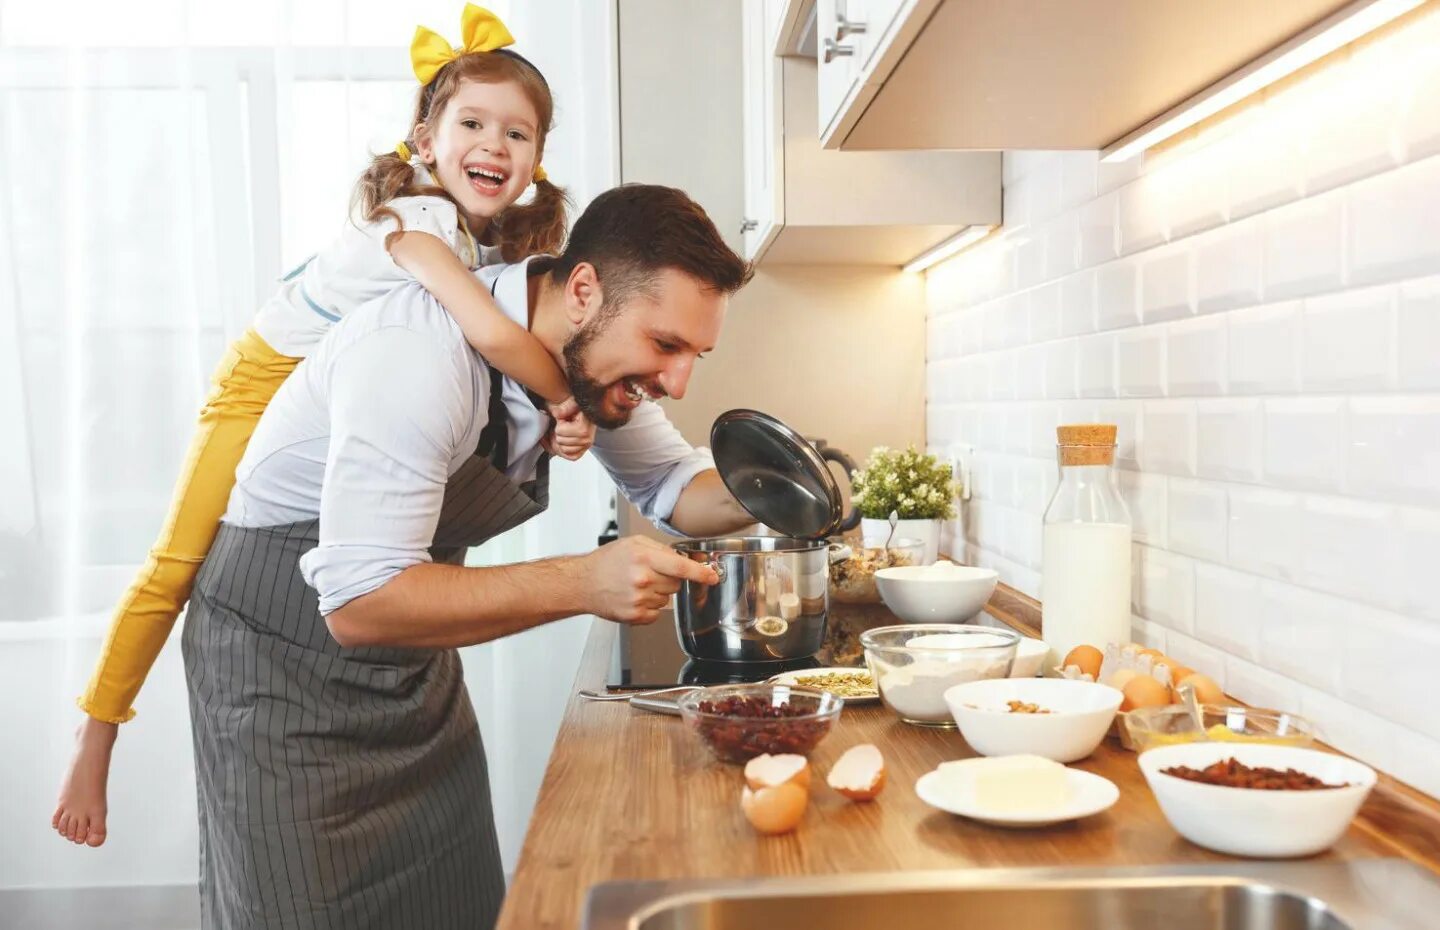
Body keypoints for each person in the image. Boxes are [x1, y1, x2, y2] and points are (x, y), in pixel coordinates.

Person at [53, 3, 594, 849]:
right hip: (262, 379)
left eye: (518, 133)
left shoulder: (486, 249)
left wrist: (550, 422)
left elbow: (489, 368)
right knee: (177, 561)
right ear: (423, 139)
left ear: (535, 160)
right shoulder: (418, 222)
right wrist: (569, 400)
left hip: (323, 392)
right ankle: (95, 735)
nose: (495, 144)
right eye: (472, 123)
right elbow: (493, 336)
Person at [184, 182, 754, 928]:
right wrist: (585, 581)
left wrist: (796, 485)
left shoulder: (583, 360)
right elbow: (360, 603)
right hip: (281, 674)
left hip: (410, 671)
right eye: (665, 345)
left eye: (694, 353)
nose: (678, 382)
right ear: (584, 289)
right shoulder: (418, 356)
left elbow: (677, 488)